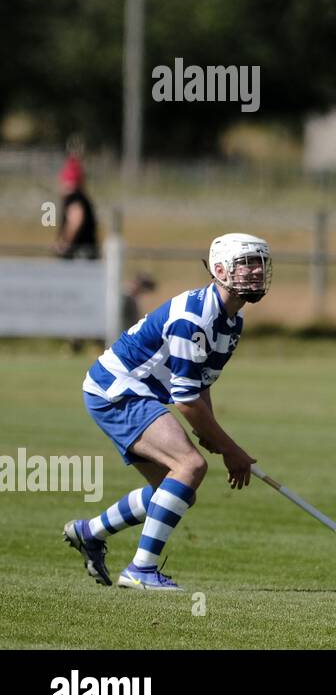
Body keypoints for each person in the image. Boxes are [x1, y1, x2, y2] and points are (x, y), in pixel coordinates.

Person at [62, 234, 268, 591]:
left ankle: (89, 532)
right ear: (220, 270)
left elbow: (201, 381)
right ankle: (141, 570)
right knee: (190, 467)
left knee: (172, 487)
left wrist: (211, 432)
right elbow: (186, 400)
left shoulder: (233, 322)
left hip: (133, 391)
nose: (256, 271)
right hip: (116, 388)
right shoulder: (195, 319)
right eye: (246, 263)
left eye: (260, 263)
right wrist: (231, 450)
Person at [53, 154, 99, 260]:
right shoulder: (82, 198)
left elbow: (75, 220)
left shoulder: (74, 198)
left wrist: (64, 244)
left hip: (79, 256)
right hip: (87, 254)